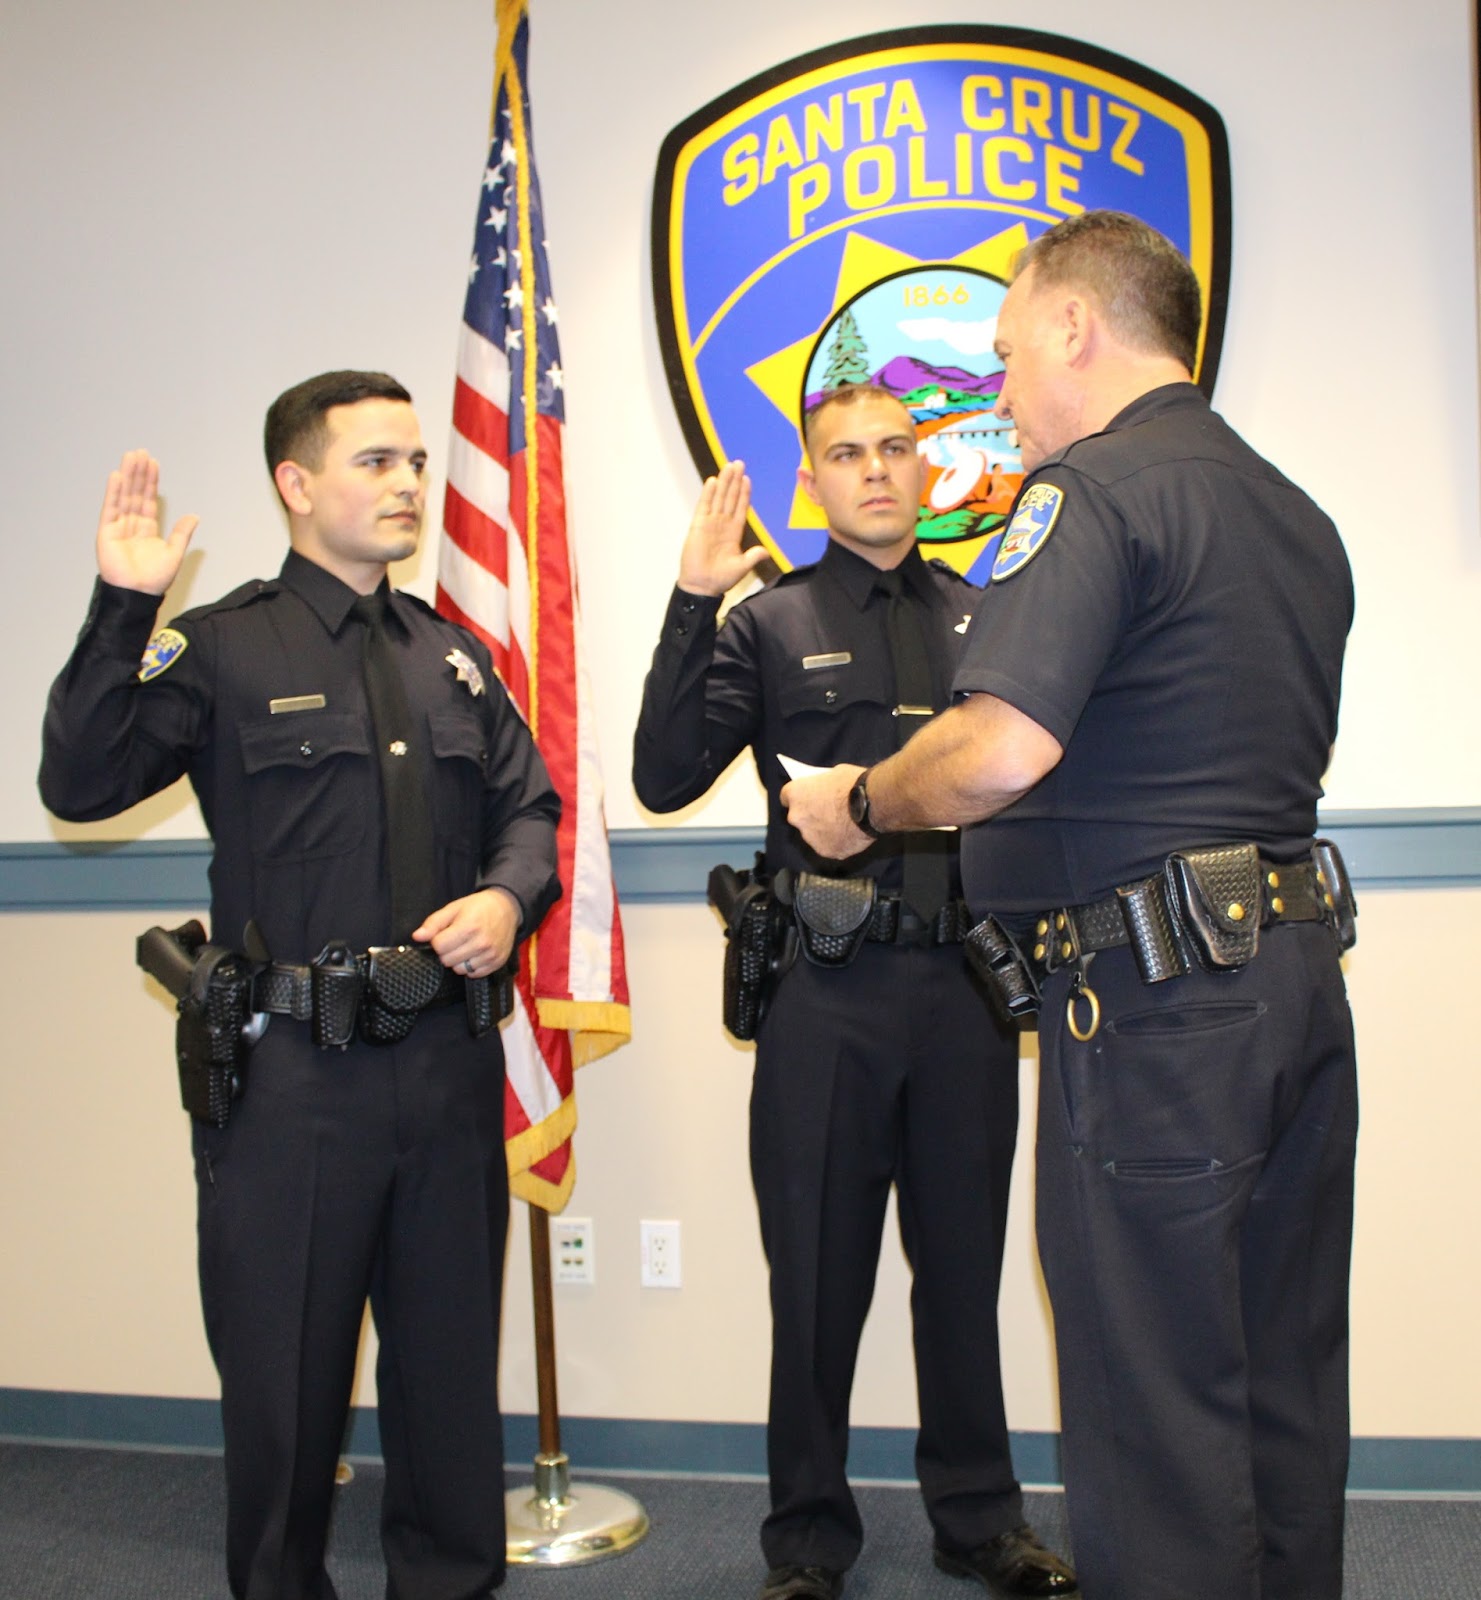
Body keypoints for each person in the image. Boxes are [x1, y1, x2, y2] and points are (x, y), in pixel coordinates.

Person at [782, 212, 1358, 1600]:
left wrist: (858, 802)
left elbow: (997, 750)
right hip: (1291, 986)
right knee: (1277, 1375)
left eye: (1000, 352)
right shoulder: (1292, 511)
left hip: (1159, 1013)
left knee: (1151, 1406)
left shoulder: (1090, 491)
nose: (994, 388)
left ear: (1073, 329)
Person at [40, 370, 562, 1600]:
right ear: (296, 482)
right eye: (376, 462)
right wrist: (124, 604)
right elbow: (79, 782)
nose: (407, 485)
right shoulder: (221, 645)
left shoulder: (454, 653)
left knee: (443, 1377)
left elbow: (527, 808)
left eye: (417, 464)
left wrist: (505, 896)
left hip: (441, 1065)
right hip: (292, 1078)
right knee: (283, 1387)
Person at [632, 386, 1077, 1600]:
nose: (874, 469)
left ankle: (980, 1520)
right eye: (846, 454)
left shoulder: (992, 613)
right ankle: (808, 1540)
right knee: (816, 1279)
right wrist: (690, 597)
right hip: (822, 994)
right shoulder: (768, 624)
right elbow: (662, 774)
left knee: (964, 1268)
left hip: (964, 994)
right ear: (811, 483)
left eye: (894, 447)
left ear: (925, 467)